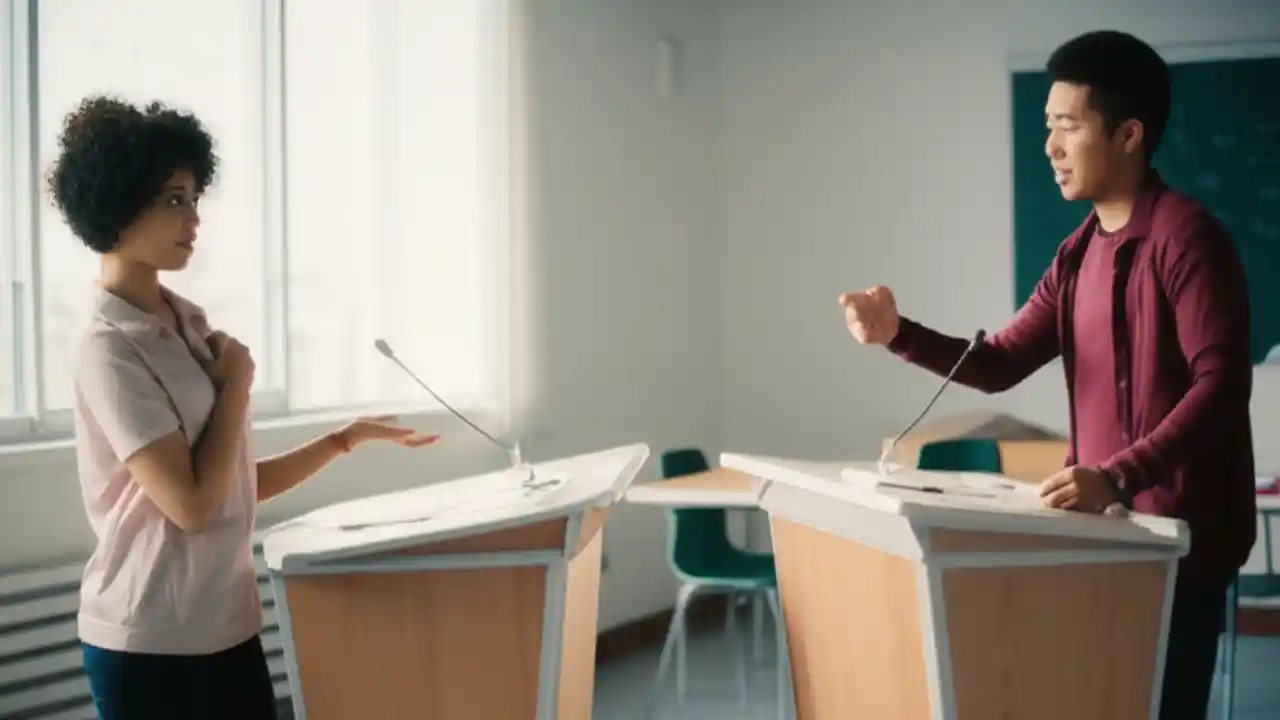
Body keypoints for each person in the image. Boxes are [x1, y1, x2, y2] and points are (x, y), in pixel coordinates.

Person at [838, 30, 1254, 720]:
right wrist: (899, 335)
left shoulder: (1189, 239)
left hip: (1180, 545)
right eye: (1047, 128)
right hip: (1098, 536)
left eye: (1068, 127)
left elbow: (1220, 385)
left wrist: (1118, 474)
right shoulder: (1075, 255)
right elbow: (999, 361)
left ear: (1127, 134)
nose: (1051, 148)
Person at [49, 95, 440, 719]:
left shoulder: (185, 324)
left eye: (195, 198)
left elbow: (227, 485)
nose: (194, 218)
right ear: (117, 202)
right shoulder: (108, 345)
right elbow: (193, 506)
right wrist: (236, 387)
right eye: (174, 199)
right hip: (151, 638)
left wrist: (342, 439)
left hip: (224, 621)